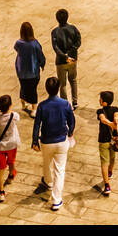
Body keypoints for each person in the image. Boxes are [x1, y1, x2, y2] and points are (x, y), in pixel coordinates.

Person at [32, 75, 75, 211]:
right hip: (61, 141)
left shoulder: (42, 106)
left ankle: (47, 181)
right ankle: (57, 200)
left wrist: (34, 140)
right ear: (58, 88)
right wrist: (70, 133)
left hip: (46, 141)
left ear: (46, 89)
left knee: (46, 163)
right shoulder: (65, 104)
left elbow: (37, 124)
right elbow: (72, 121)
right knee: (60, 170)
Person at [0, 95, 20, 203]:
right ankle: (11, 175)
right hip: (12, 145)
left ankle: (1, 191)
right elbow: (17, 117)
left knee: (0, 168)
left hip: (2, 147)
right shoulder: (14, 115)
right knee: (11, 162)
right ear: (10, 105)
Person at [14, 22, 47, 114]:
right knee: (33, 90)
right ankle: (34, 109)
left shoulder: (19, 43)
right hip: (32, 72)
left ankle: (23, 104)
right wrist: (42, 64)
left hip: (21, 71)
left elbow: (16, 49)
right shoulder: (34, 44)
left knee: (23, 87)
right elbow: (40, 56)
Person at [51, 8, 81, 108]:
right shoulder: (73, 28)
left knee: (62, 83)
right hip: (73, 60)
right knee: (73, 80)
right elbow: (78, 41)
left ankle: (65, 104)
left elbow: (55, 47)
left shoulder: (55, 32)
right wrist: (71, 54)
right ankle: (75, 102)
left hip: (61, 61)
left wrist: (64, 56)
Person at [96, 91, 118, 196]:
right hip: (114, 139)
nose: (99, 100)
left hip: (103, 140)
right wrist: (113, 123)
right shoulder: (115, 109)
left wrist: (112, 122)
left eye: (100, 99)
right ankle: (110, 172)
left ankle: (107, 185)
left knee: (104, 162)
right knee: (112, 158)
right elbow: (115, 116)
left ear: (104, 102)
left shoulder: (100, 111)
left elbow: (102, 119)